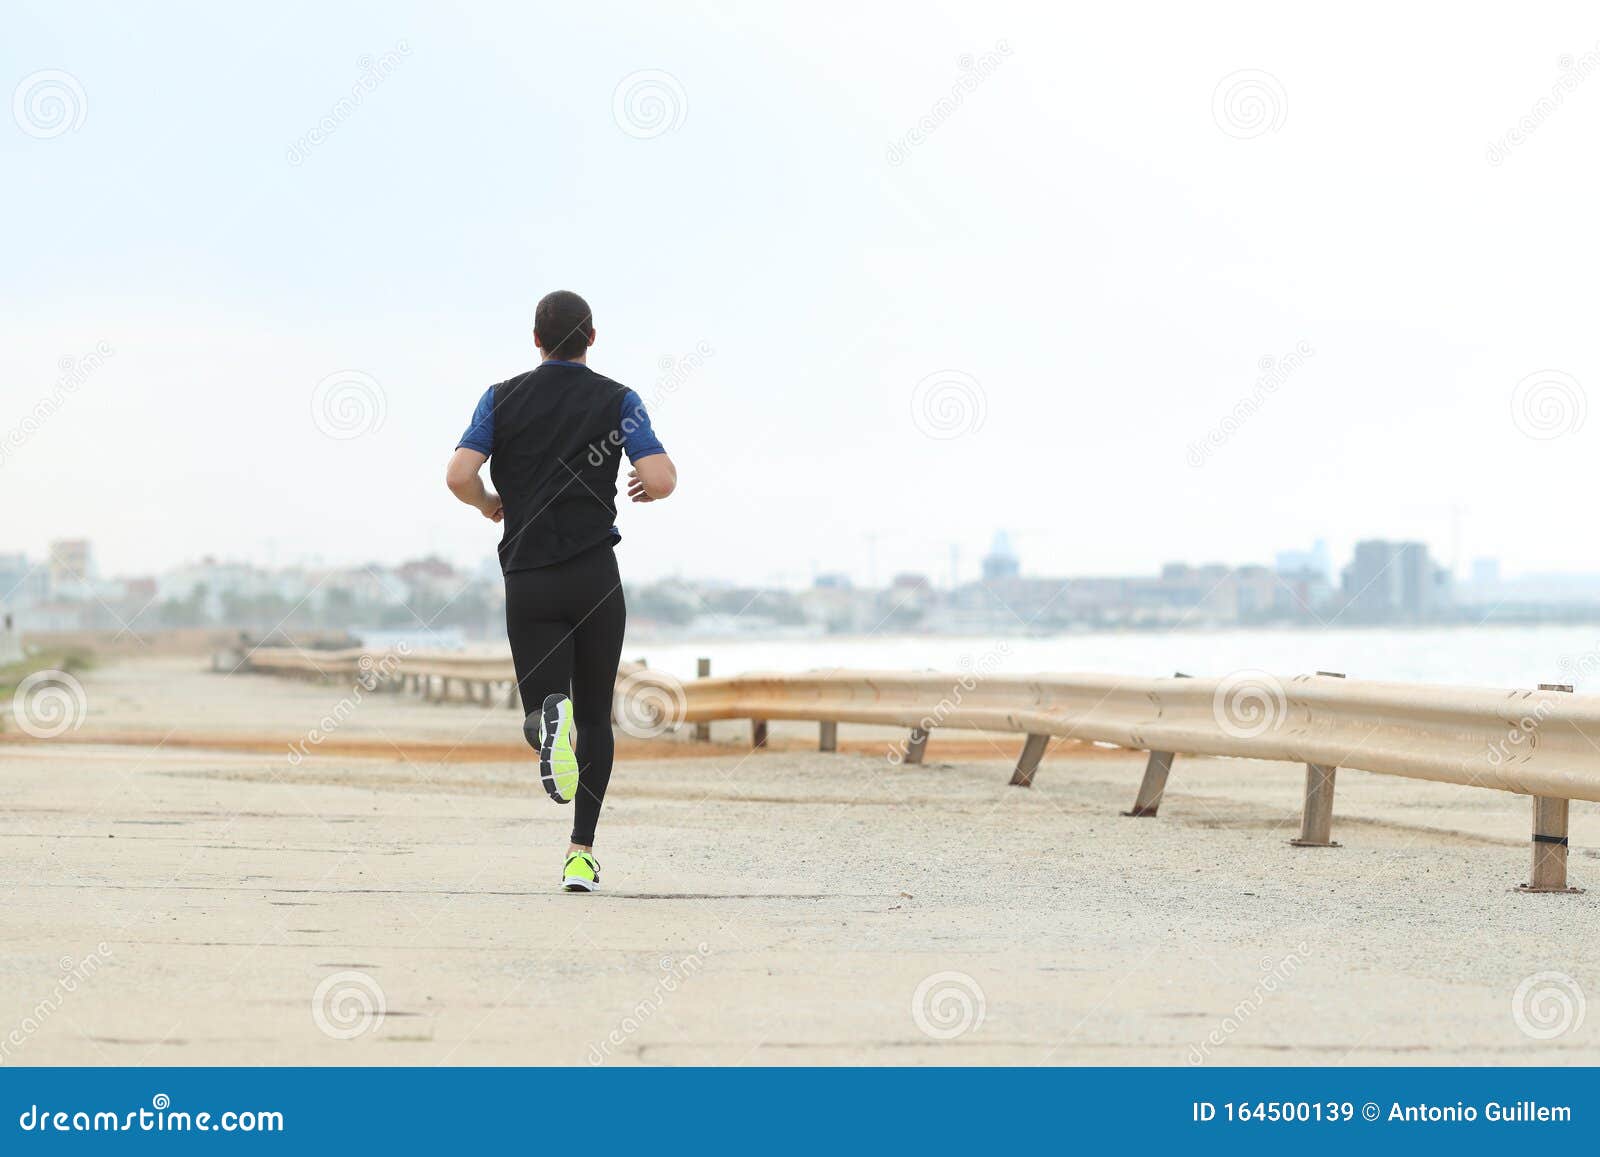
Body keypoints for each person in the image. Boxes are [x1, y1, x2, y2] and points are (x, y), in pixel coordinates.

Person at [445, 290, 677, 892]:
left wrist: (490, 503)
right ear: (592, 338)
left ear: (536, 340)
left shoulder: (500, 397)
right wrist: (648, 489)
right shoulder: (618, 399)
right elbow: (660, 477)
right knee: (597, 717)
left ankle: (550, 721)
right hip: (594, 576)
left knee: (542, 711)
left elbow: (459, 475)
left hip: (529, 578)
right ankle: (581, 852)